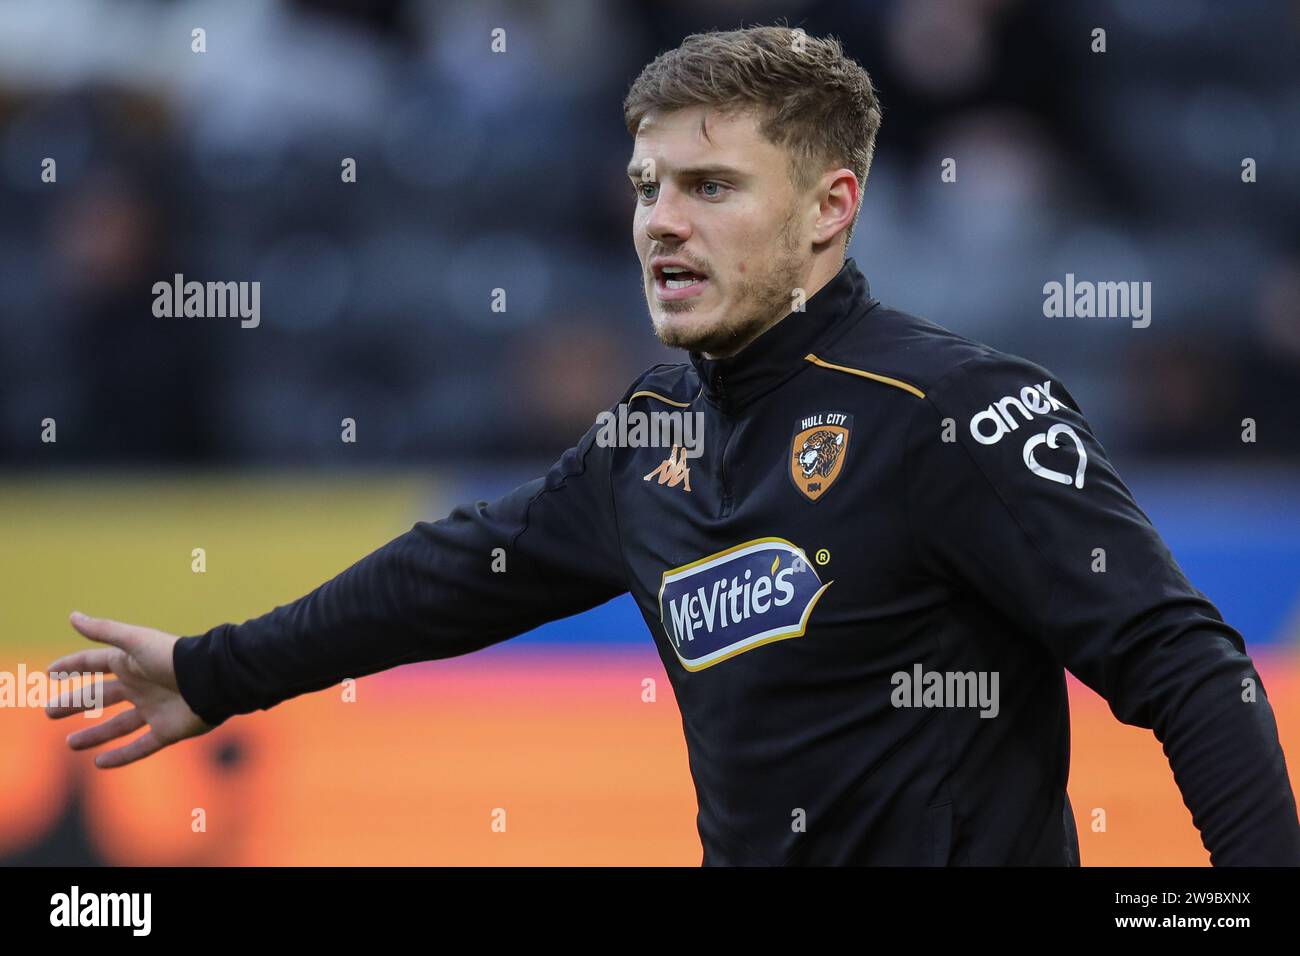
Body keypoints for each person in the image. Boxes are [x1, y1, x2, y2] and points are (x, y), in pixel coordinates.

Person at [47, 25, 1300, 865]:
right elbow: (454, 570)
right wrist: (219, 668)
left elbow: (1184, 666)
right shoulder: (654, 432)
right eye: (647, 187)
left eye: (710, 187)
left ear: (828, 210)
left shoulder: (953, 412)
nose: (662, 222)